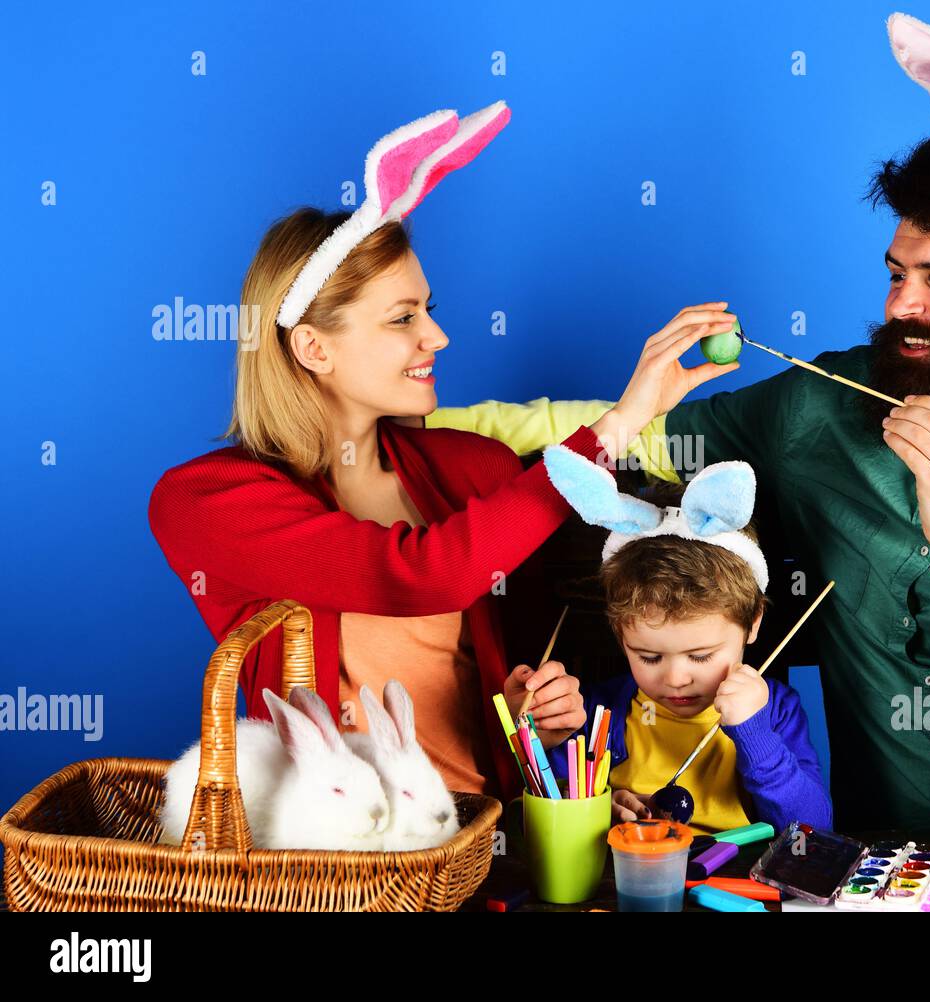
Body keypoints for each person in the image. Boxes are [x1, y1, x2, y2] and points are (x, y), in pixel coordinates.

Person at [423, 32, 930, 826]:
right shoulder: (821, 406)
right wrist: (406, 420)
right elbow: (622, 435)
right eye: (896, 273)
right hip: (875, 863)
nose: (900, 307)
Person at [147, 104, 739, 800]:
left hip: (481, 846)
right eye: (403, 319)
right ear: (313, 347)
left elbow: (494, 687)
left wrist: (528, 717)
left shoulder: (473, 472)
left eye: (429, 309)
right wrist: (624, 419)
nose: (437, 337)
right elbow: (422, 576)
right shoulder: (206, 502)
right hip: (340, 871)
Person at [539, 448, 831, 833]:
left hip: (742, 884)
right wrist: (596, 809)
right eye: (648, 657)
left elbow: (814, 831)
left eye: (701, 656)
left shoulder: (776, 712)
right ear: (619, 633)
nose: (676, 678)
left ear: (753, 622)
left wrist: (755, 734)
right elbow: (549, 812)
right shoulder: (596, 716)